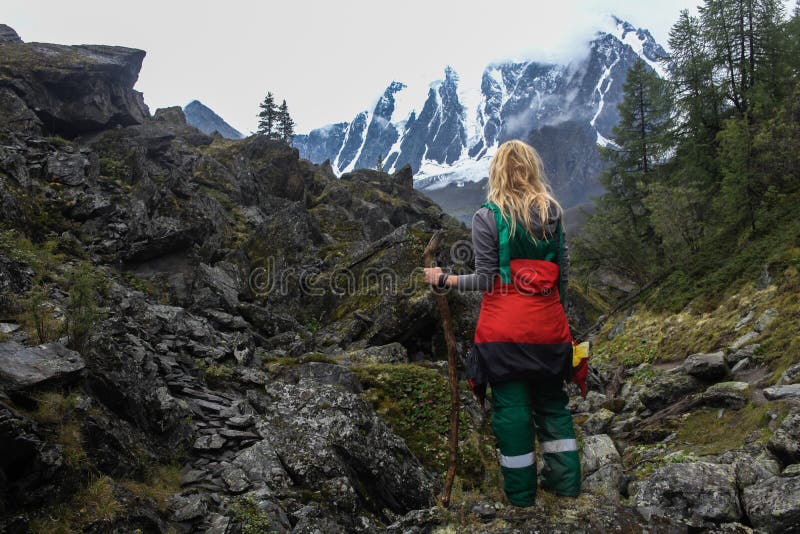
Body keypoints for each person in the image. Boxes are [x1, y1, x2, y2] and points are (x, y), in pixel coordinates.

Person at [423, 139, 580, 507]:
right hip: (550, 332)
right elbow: (563, 279)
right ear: (531, 167)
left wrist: (445, 279)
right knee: (553, 406)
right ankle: (567, 487)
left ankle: (522, 498)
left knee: (511, 413)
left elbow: (486, 279)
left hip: (503, 335)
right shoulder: (553, 214)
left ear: (497, 172)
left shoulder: (488, 216)